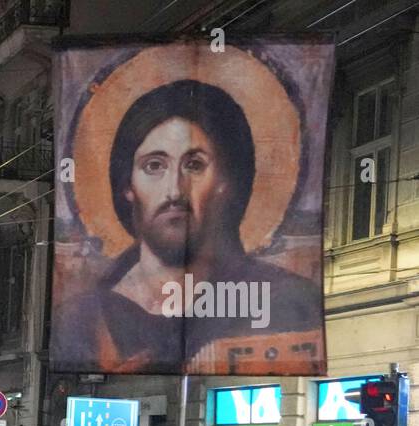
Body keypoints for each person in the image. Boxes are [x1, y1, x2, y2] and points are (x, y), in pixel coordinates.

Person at [52, 79, 322, 374]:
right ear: (127, 185)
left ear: (224, 181)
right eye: (154, 166)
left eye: (194, 165)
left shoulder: (283, 300)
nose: (175, 192)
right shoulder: (84, 318)